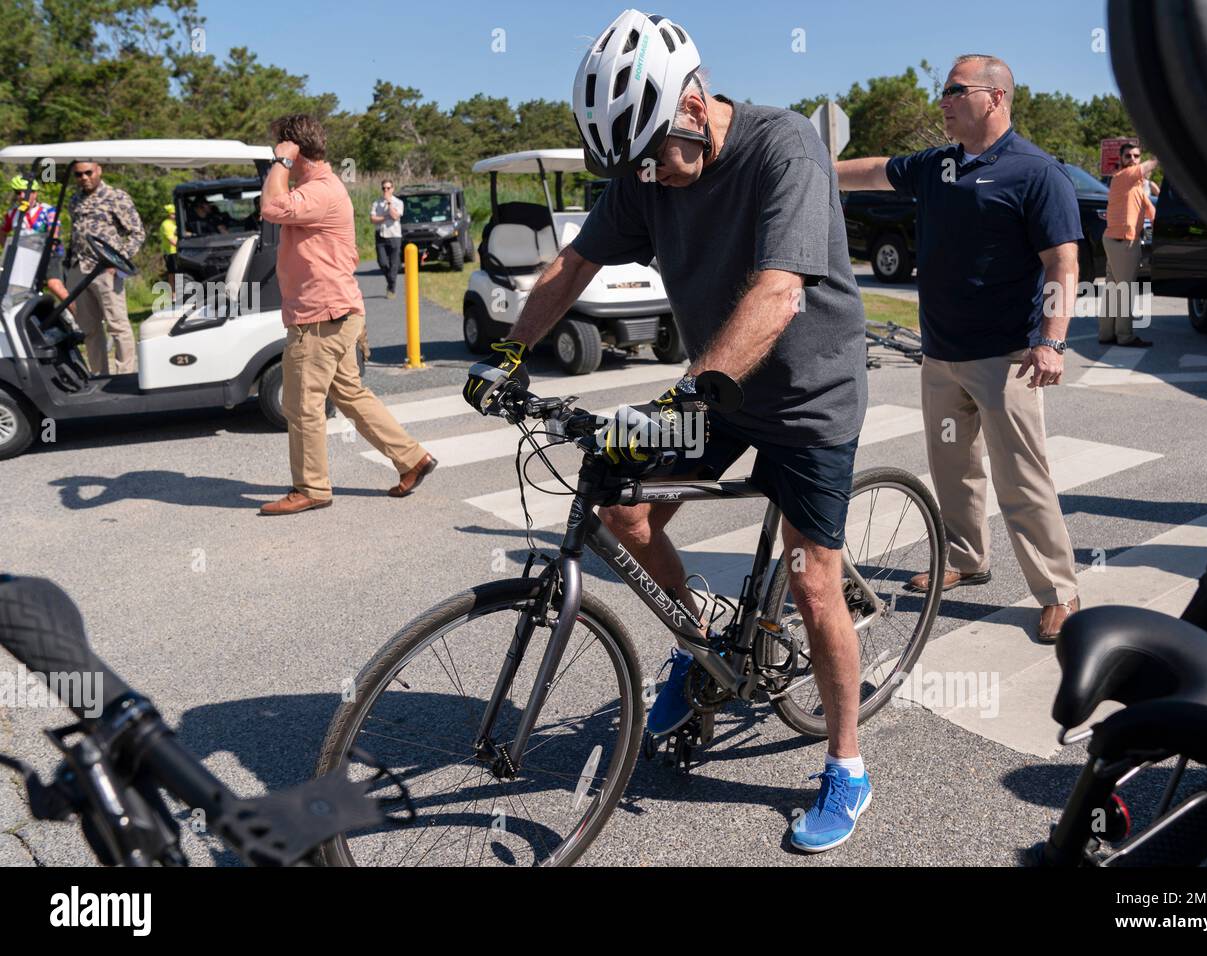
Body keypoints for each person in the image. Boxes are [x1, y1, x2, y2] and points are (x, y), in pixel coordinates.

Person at [463, 9, 871, 853]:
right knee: (622, 510)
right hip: (717, 392)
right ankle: (697, 638)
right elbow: (574, 265)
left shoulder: (782, 146)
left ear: (693, 103)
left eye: (658, 155)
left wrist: (689, 392)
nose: (651, 177)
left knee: (812, 584)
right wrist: (509, 354)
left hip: (807, 396)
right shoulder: (646, 172)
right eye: (634, 165)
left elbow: (779, 292)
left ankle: (847, 765)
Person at [837, 54, 1082, 642]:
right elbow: (871, 172)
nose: (942, 101)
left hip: (1008, 359)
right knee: (954, 468)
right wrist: (802, 165)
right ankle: (967, 559)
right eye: (942, 91)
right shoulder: (937, 166)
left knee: (1022, 479)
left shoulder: (1036, 172)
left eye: (954, 90)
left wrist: (1052, 340)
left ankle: (1059, 593)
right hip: (941, 353)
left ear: (995, 97)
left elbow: (1063, 264)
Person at [257, 113, 435, 516]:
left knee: (302, 405)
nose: (275, 155)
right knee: (351, 395)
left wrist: (280, 163)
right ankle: (412, 458)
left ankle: (312, 487)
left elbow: (270, 206)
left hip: (319, 317)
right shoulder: (321, 187)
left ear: (293, 147)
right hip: (336, 312)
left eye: (279, 147)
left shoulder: (319, 189)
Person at [66, 162, 144, 374]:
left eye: (88, 172)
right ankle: (99, 375)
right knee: (89, 329)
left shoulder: (116, 197)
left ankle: (125, 374)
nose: (84, 178)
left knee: (117, 325)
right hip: (79, 269)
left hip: (105, 270)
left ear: (98, 170)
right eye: (78, 174)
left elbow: (137, 233)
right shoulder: (75, 200)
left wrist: (119, 262)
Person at [1100, 142, 1158, 347]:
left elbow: (1152, 210)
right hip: (1123, 242)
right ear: (1121, 159)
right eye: (1128, 156)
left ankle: (1106, 334)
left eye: (1136, 156)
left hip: (1115, 241)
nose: (1133, 160)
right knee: (1125, 290)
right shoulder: (1123, 177)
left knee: (1113, 290)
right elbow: (1149, 166)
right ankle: (1125, 336)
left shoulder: (1136, 187)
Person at [2, 176, 71, 304]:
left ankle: (79, 314)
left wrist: (50, 248)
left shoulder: (47, 210)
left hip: (49, 255)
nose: (22, 195)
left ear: (35, 193)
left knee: (54, 284)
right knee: (17, 289)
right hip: (23, 258)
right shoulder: (13, 213)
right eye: (18, 192)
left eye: (26, 191)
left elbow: (54, 232)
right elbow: (3, 231)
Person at [370, 180, 404, 298]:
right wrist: (384, 217)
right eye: (384, 188)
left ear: (392, 189)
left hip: (394, 234)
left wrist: (389, 204)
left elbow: (395, 216)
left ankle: (392, 287)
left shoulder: (398, 202)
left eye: (388, 188)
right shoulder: (376, 203)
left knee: (394, 264)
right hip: (381, 234)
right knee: (382, 262)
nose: (386, 191)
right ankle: (390, 281)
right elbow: (373, 219)